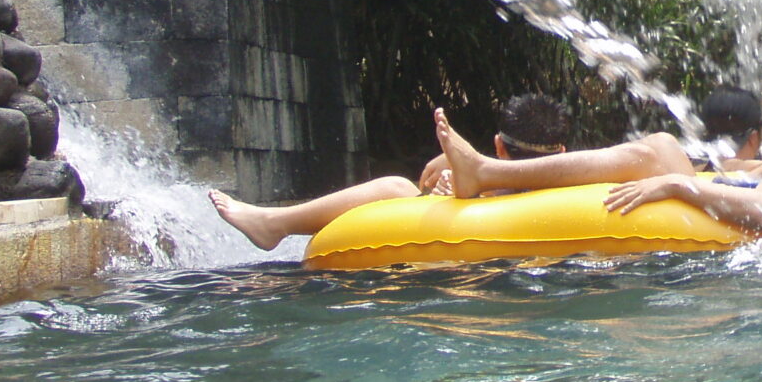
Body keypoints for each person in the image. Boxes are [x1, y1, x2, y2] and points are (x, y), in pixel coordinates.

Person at [440, 38, 762, 234]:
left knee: (659, 151)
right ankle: (489, 174)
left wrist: (677, 183)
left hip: (712, 269)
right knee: (664, 148)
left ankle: (487, 172)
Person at [207, 93, 574, 251]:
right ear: (562, 151)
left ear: (497, 145)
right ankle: (274, 224)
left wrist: (455, 191)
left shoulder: (507, 193)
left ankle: (277, 224)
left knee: (398, 187)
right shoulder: (578, 181)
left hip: (465, 269)